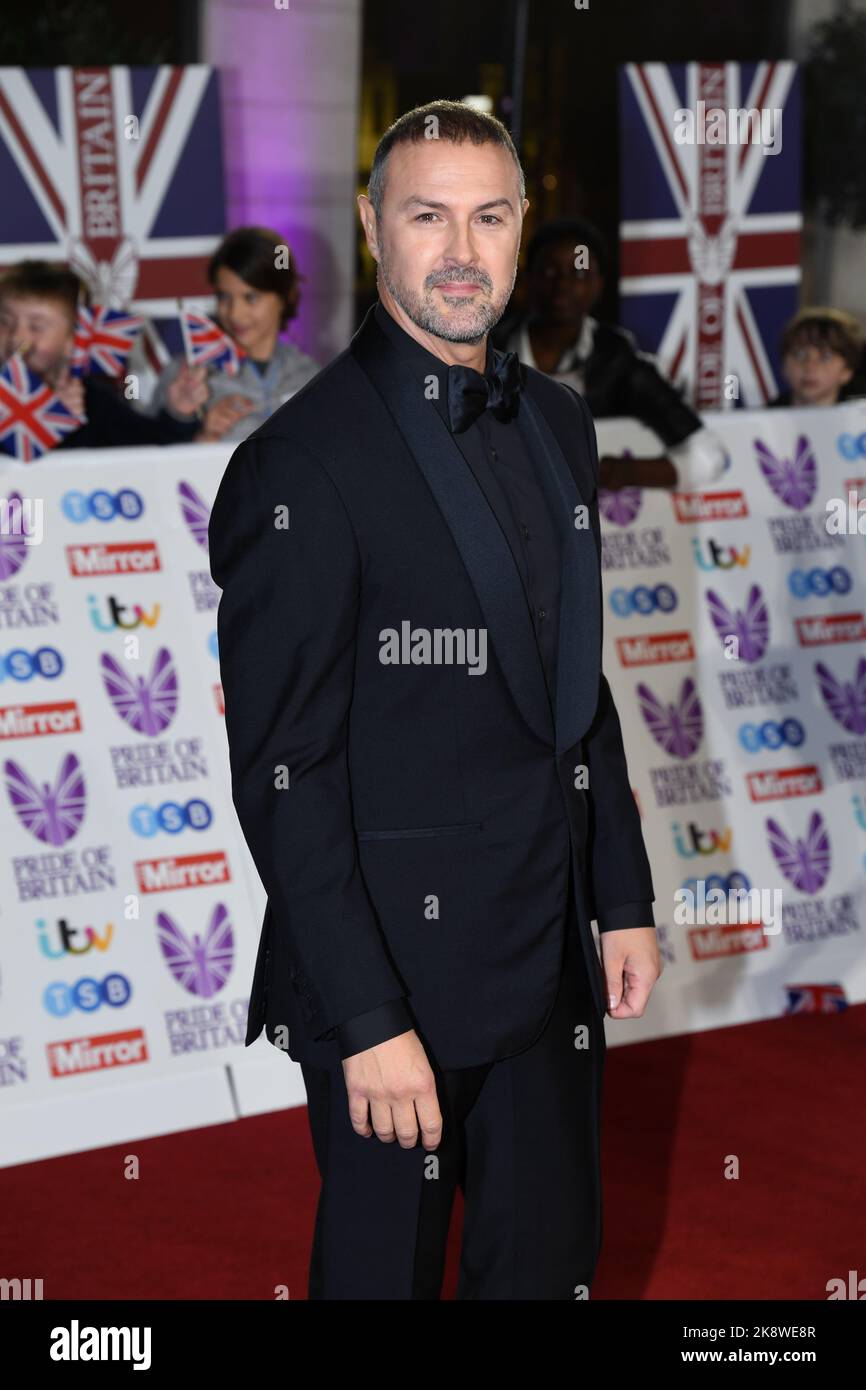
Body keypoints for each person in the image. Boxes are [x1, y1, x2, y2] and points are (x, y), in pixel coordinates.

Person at [208, 100, 659, 1301]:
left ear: (520, 235)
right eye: (426, 215)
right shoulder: (298, 467)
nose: (461, 249)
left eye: (488, 216)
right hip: (391, 977)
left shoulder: (559, 419)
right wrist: (364, 1016)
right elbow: (284, 770)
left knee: (550, 1262)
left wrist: (618, 893)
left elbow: (576, 682)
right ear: (371, 228)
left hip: (548, 951)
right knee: (383, 1278)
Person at [494, 217, 729, 489]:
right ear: (526, 279)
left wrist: (625, 472)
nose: (563, 285)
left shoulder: (616, 359)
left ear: (598, 284)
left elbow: (711, 457)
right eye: (548, 272)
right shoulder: (487, 347)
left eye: (579, 273)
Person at [0, 261, 207, 450]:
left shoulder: (94, 401)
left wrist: (178, 414)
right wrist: (39, 424)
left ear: (75, 339)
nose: (17, 336)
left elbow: (151, 454)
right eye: (5, 322)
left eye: (36, 326)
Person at [143, 226, 321, 442]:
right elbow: (149, 465)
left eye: (251, 298)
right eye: (224, 297)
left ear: (285, 297)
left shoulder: (312, 378)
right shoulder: (186, 378)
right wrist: (199, 434)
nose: (235, 313)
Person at [768, 307, 866, 408]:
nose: (810, 367)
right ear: (785, 366)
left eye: (825, 357)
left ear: (847, 371)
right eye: (799, 355)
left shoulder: (859, 419)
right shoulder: (760, 419)